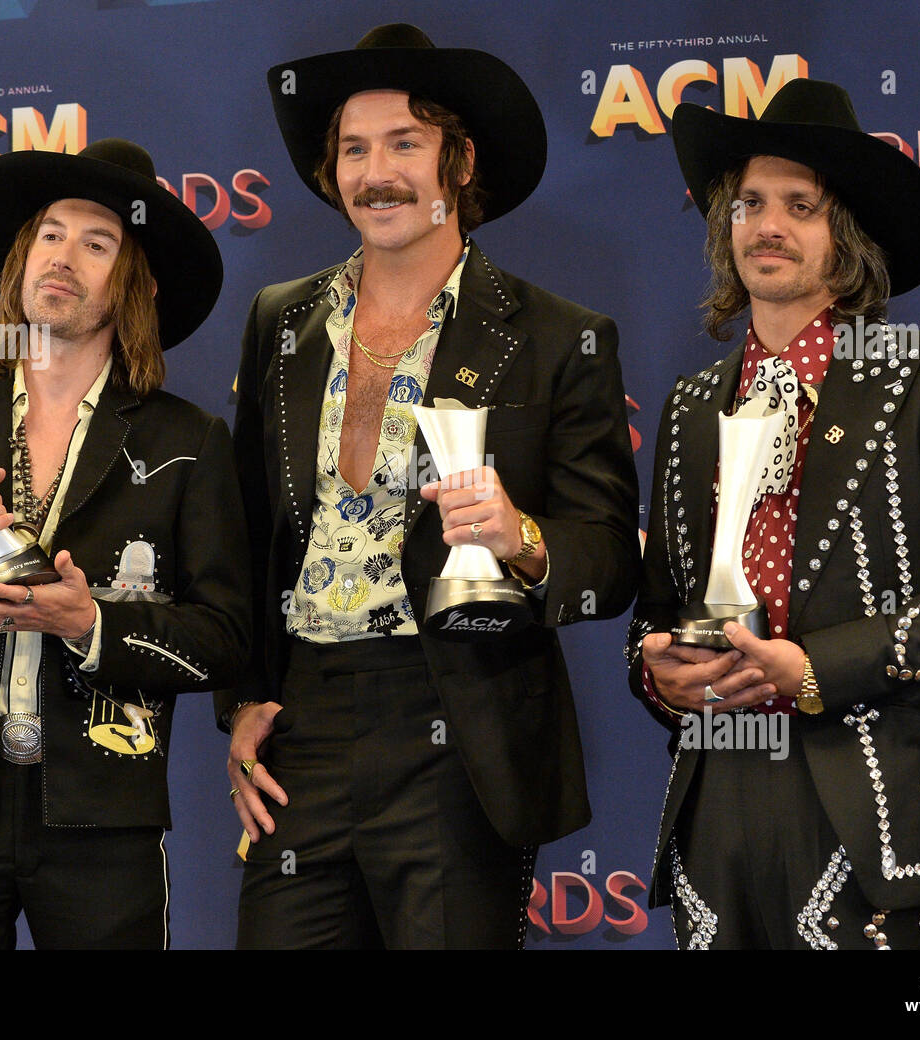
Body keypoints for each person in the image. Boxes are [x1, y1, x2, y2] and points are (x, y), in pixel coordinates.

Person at [220, 23, 639, 949]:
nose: (379, 173)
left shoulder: (556, 333)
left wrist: (520, 537)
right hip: (308, 723)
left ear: (460, 162)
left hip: (456, 717)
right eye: (355, 149)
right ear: (332, 172)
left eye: (406, 143)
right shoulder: (280, 320)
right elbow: (248, 533)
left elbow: (608, 558)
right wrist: (243, 700)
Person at [627, 79, 920, 949]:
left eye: (798, 206)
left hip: (867, 783)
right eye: (749, 203)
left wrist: (812, 668)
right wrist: (658, 672)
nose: (767, 225)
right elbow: (661, 607)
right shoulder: (692, 403)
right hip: (719, 786)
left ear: (844, 238)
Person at [0, 138, 249, 949]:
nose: (64, 258)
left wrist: (89, 625)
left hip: (104, 824)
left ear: (133, 283)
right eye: (51, 234)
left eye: (97, 243)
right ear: (21, 258)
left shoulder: (190, 442)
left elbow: (225, 643)